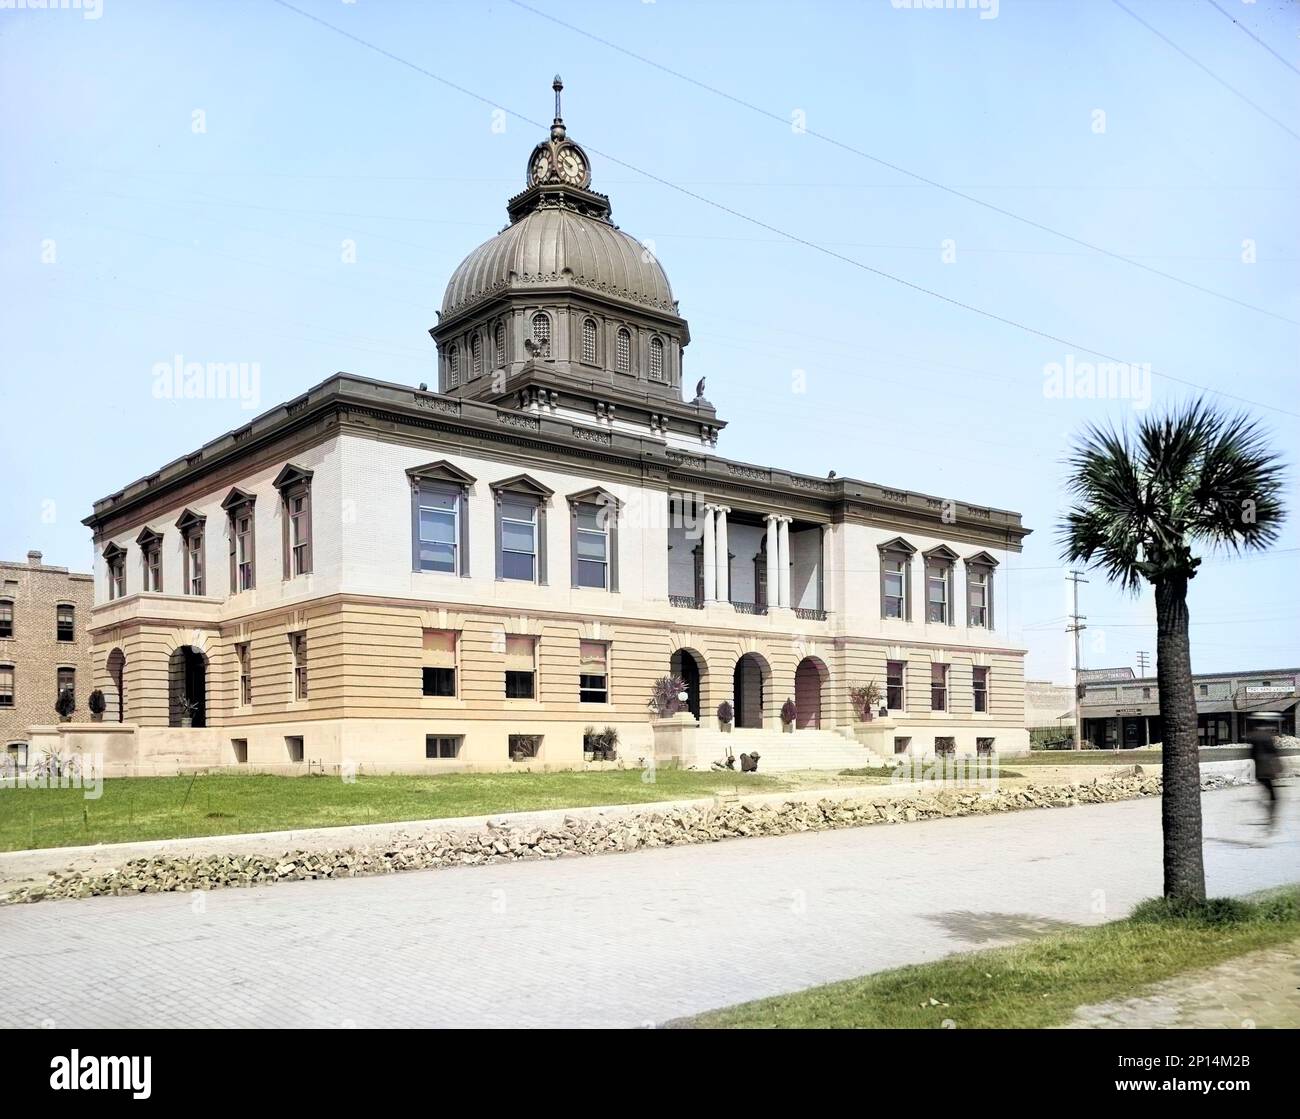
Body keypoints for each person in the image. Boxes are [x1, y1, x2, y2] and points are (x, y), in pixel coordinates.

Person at [1246, 726, 1282, 830]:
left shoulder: (1255, 739)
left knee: (1268, 793)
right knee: (1273, 796)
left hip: (1259, 772)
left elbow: (1251, 755)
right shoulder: (1267, 739)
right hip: (1267, 771)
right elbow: (1274, 753)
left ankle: (1267, 811)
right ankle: (1271, 816)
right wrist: (1278, 767)